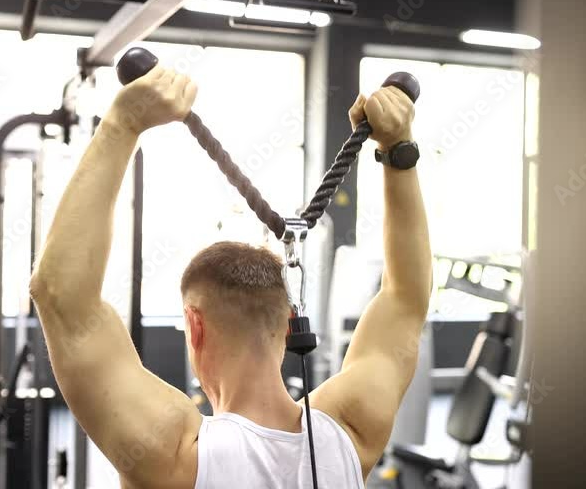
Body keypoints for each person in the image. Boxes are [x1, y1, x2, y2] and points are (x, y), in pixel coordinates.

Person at [30, 64, 432, 488]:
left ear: (194, 325)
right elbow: (406, 300)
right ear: (285, 325)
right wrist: (398, 150)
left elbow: (60, 295)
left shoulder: (176, 454)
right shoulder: (350, 428)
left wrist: (122, 124)